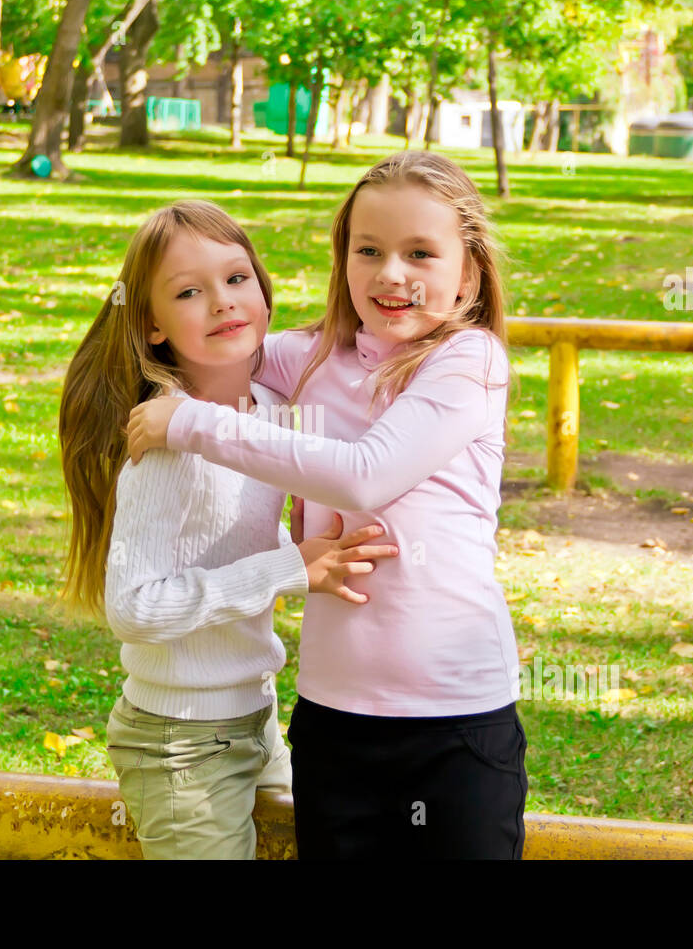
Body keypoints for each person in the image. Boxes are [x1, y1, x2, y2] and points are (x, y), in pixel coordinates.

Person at [126, 151, 526, 859]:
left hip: (455, 719)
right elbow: (218, 349)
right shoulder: (309, 355)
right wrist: (165, 361)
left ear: (467, 272)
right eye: (366, 249)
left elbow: (366, 475)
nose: (389, 273)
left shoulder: (469, 362)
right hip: (333, 720)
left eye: (420, 254)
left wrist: (187, 423)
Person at [58, 198, 398, 858]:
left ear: (266, 296)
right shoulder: (165, 444)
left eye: (237, 279)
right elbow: (132, 609)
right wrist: (291, 567)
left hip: (256, 721)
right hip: (177, 743)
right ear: (153, 326)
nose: (222, 302)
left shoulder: (273, 411)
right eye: (190, 291)